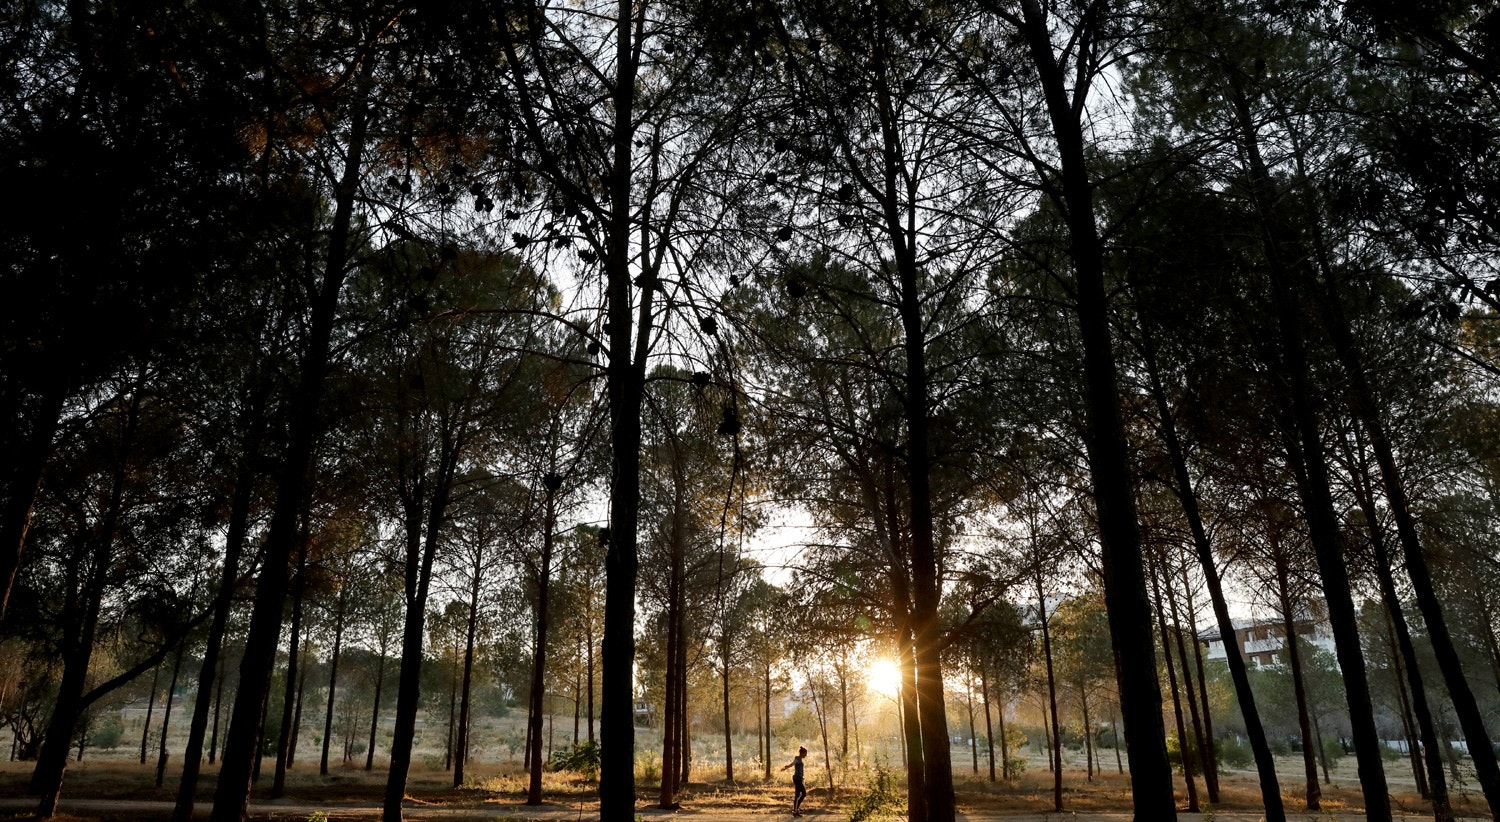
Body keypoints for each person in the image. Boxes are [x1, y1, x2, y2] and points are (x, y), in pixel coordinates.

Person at [779, 745, 808, 816]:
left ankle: (796, 810)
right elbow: (793, 763)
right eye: (805, 754)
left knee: (799, 795)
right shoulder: (798, 758)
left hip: (799, 779)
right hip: (797, 779)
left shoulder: (800, 759)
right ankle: (795, 811)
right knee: (802, 794)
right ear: (801, 753)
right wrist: (786, 767)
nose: (806, 755)